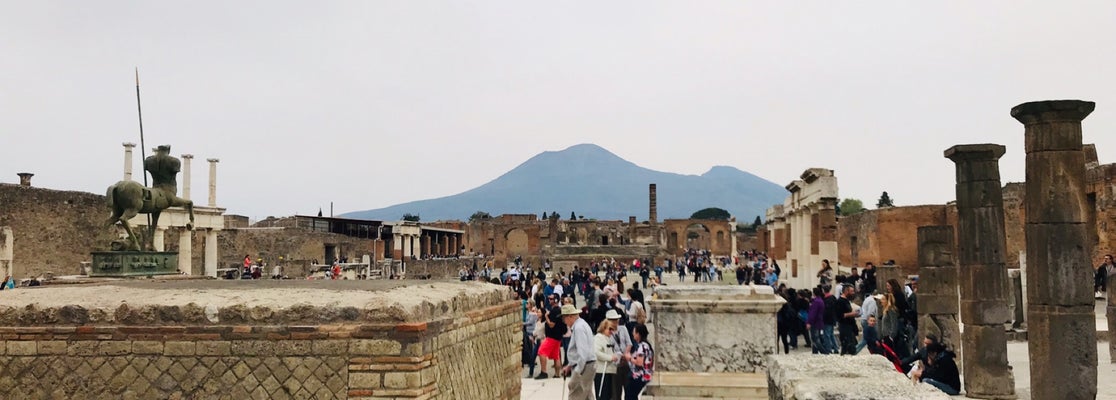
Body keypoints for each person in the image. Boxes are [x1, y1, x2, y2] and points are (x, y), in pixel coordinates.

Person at [561, 304, 595, 400]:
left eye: (564, 318)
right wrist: (570, 365)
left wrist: (577, 372)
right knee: (587, 396)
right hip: (587, 365)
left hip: (584, 366)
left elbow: (582, 353)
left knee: (575, 395)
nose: (564, 322)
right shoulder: (581, 324)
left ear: (570, 316)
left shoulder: (579, 328)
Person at [535, 295, 565, 379]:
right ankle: (557, 374)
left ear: (556, 300)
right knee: (556, 356)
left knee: (541, 351)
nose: (549, 300)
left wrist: (546, 317)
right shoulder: (559, 310)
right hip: (558, 337)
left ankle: (544, 372)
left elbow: (551, 325)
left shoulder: (554, 311)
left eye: (551, 299)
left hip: (552, 336)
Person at [607, 309, 633, 400]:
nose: (615, 322)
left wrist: (625, 354)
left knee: (628, 388)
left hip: (625, 361)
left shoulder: (623, 329)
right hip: (615, 364)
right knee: (616, 391)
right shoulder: (607, 333)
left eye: (616, 320)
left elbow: (629, 343)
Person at [625, 324, 654, 400]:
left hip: (640, 376)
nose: (633, 333)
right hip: (643, 375)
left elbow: (639, 362)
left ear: (638, 334)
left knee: (630, 395)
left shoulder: (642, 347)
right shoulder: (645, 345)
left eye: (634, 332)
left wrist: (629, 358)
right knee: (631, 395)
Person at [593, 319, 619, 400]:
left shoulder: (608, 338)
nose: (611, 331)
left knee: (609, 395)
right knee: (603, 395)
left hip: (609, 371)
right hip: (602, 371)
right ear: (603, 328)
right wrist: (610, 358)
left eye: (612, 329)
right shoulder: (598, 337)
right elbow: (596, 352)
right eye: (609, 329)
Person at [836, 284, 860, 355]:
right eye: (851, 291)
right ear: (846, 291)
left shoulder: (846, 301)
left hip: (850, 326)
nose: (853, 293)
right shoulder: (840, 301)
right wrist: (852, 314)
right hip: (845, 327)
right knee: (848, 346)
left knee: (851, 346)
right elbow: (840, 315)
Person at [806, 287, 828, 354]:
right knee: (816, 338)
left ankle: (824, 352)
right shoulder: (820, 301)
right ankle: (815, 352)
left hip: (815, 323)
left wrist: (809, 322)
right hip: (819, 322)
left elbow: (813, 313)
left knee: (815, 338)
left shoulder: (816, 302)